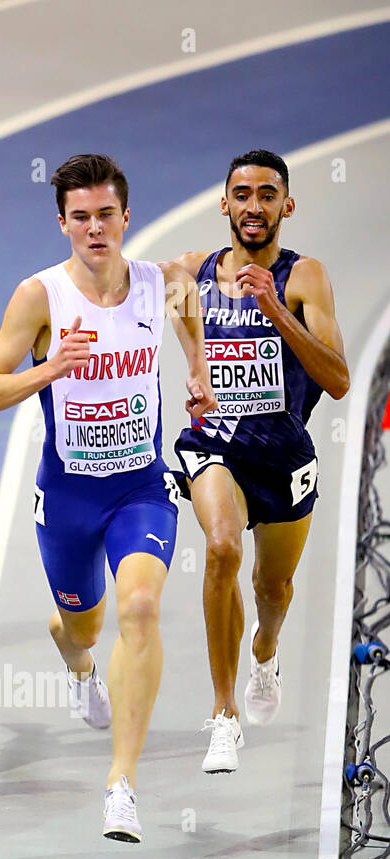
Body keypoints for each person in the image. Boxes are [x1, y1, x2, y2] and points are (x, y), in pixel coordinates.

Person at [0, 154, 216, 842]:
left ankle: (121, 787)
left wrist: (198, 374)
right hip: (68, 499)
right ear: (63, 224)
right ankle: (75, 655)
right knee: (82, 625)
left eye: (106, 214)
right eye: (81, 217)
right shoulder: (39, 296)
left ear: (126, 217)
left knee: (139, 607)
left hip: (140, 489)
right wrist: (50, 368)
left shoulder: (162, 284)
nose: (95, 228)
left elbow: (190, 327)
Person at [169, 149, 347, 774]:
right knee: (221, 549)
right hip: (216, 445)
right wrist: (194, 366)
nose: (253, 206)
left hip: (284, 454)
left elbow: (339, 378)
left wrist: (275, 312)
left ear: (286, 206)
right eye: (242, 194)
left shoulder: (305, 279)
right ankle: (223, 718)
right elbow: (147, 298)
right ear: (224, 204)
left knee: (272, 588)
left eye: (267, 195)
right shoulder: (190, 271)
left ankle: (265, 651)